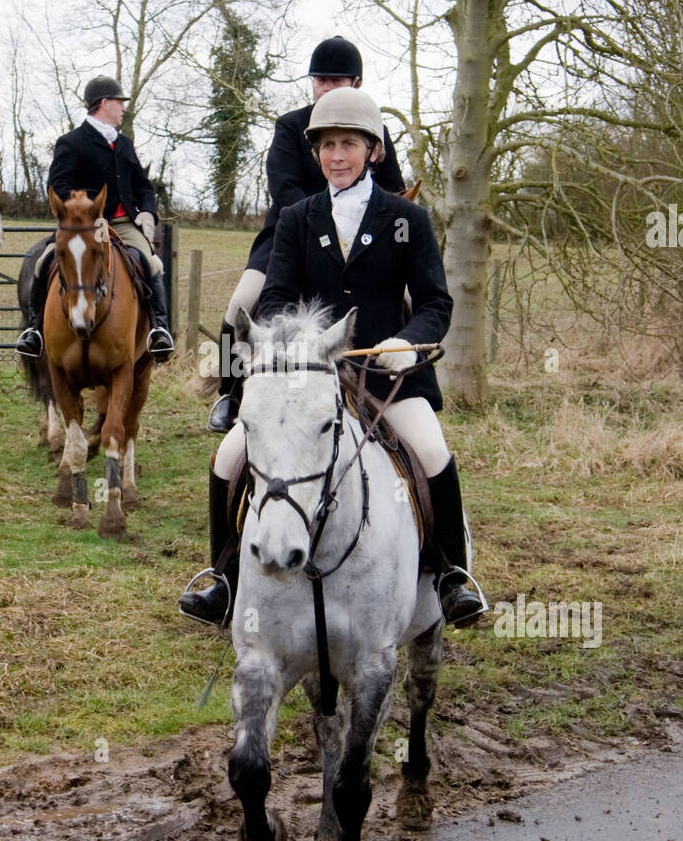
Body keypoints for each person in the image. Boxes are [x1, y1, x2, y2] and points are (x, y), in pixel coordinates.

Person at [180, 87, 487, 630]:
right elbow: (273, 299)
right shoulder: (298, 218)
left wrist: (403, 342)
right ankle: (223, 579)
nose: (336, 156)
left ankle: (450, 575)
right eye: (326, 146)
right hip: (308, 375)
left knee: (432, 451)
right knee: (229, 456)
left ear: (373, 149)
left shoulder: (407, 219)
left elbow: (437, 302)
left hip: (387, 377)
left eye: (348, 144)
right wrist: (304, 339)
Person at [207, 35, 405, 432]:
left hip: (361, 245)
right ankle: (230, 393)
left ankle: (402, 380)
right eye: (320, 81)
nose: (327, 88)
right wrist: (326, 225)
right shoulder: (292, 126)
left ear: (357, 84)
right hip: (289, 237)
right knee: (240, 303)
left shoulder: (375, 130)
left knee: (409, 296)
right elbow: (283, 190)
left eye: (337, 81)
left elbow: (396, 191)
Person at [15, 76, 174, 361]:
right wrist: (84, 209)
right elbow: (58, 185)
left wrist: (147, 211)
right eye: (119, 102)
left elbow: (142, 185)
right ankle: (34, 330)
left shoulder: (124, 144)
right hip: (83, 224)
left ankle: (159, 330)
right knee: (44, 261)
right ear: (104, 104)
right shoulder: (71, 142)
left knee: (151, 262)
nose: (124, 108)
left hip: (123, 224)